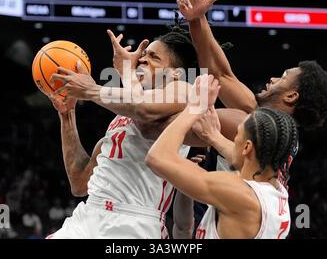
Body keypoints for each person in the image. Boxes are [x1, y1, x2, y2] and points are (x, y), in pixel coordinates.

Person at [45, 26, 244, 239]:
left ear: (174, 73)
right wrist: (68, 115)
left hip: (136, 223)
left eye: (154, 57)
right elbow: (79, 182)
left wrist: (94, 89)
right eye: (143, 56)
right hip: (88, 215)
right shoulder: (119, 117)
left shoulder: (183, 90)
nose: (141, 60)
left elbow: (144, 110)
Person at [177, 0, 327, 186]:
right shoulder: (269, 123)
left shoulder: (257, 129)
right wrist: (197, 17)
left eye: (282, 78)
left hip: (237, 218)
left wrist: (131, 96)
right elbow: (221, 74)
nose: (272, 79)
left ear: (291, 96)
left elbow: (172, 126)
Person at [146, 74, 298, 239]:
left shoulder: (237, 192)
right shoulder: (279, 195)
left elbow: (157, 157)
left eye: (237, 135)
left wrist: (194, 108)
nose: (231, 141)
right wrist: (213, 137)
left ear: (246, 148)